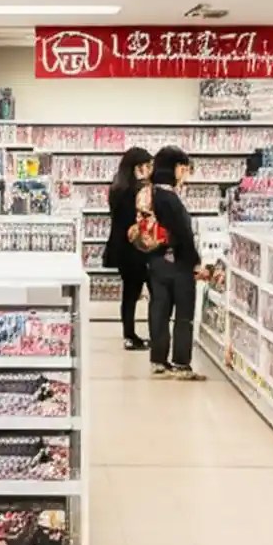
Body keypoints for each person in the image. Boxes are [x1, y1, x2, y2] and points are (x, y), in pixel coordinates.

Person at [145, 146, 208, 380]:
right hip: (178, 264)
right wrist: (195, 264)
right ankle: (181, 363)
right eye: (183, 168)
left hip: (156, 261)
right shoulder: (171, 198)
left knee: (159, 310)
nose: (185, 174)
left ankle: (158, 360)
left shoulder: (150, 194)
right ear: (174, 169)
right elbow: (183, 234)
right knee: (183, 314)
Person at [102, 147, 153, 351]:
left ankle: (129, 334)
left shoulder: (117, 187)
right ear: (136, 167)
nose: (148, 170)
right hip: (135, 248)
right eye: (145, 166)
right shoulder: (136, 191)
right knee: (147, 292)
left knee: (130, 293)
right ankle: (134, 336)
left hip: (121, 247)